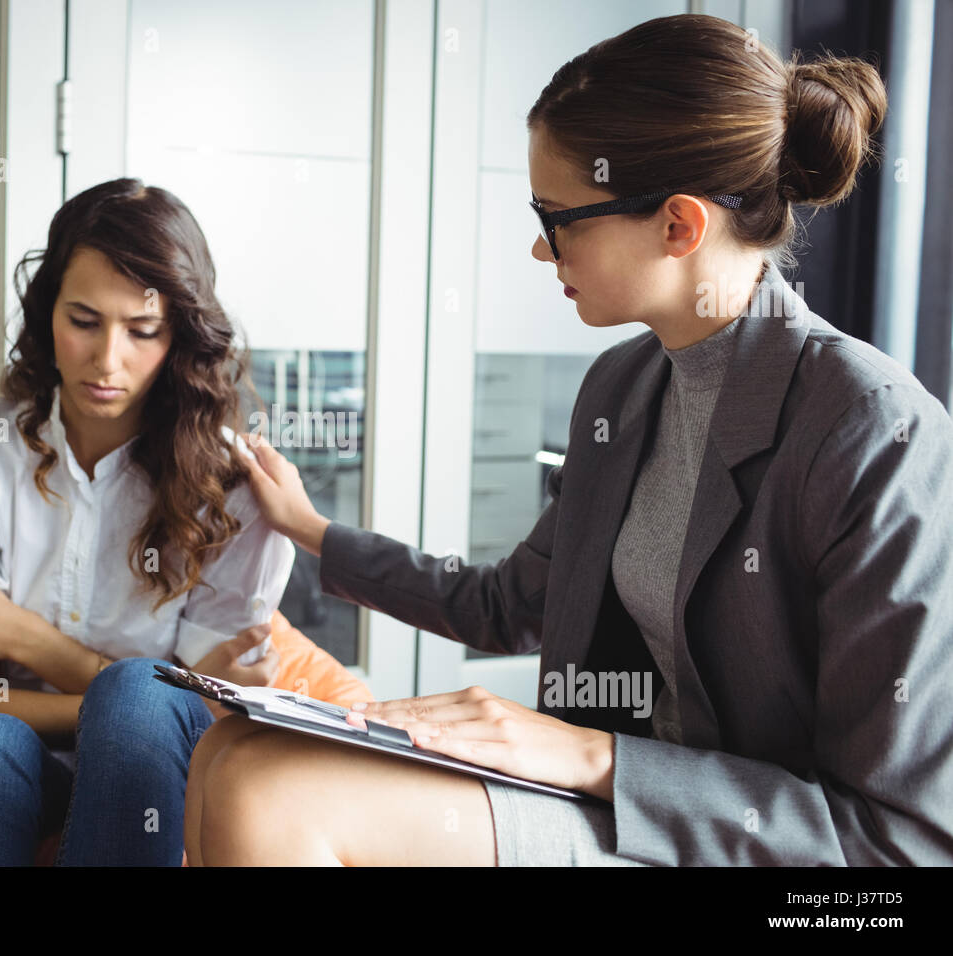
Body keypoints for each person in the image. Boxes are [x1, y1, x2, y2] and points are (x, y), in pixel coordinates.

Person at [183, 14, 953, 866]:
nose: (541, 246)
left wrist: (591, 755)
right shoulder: (621, 390)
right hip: (608, 804)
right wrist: (311, 529)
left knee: (270, 794)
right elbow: (509, 604)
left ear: (679, 227)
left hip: (739, 850)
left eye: (561, 217)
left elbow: (897, 846)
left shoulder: (874, 431)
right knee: (232, 755)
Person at [0, 178, 295, 865]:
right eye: (83, 321)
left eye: (142, 330)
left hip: (168, 768)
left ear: (177, 336)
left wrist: (18, 634)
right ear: (46, 311)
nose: (107, 360)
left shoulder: (233, 489)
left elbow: (201, 709)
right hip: (16, 758)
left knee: (141, 703)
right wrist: (119, 698)